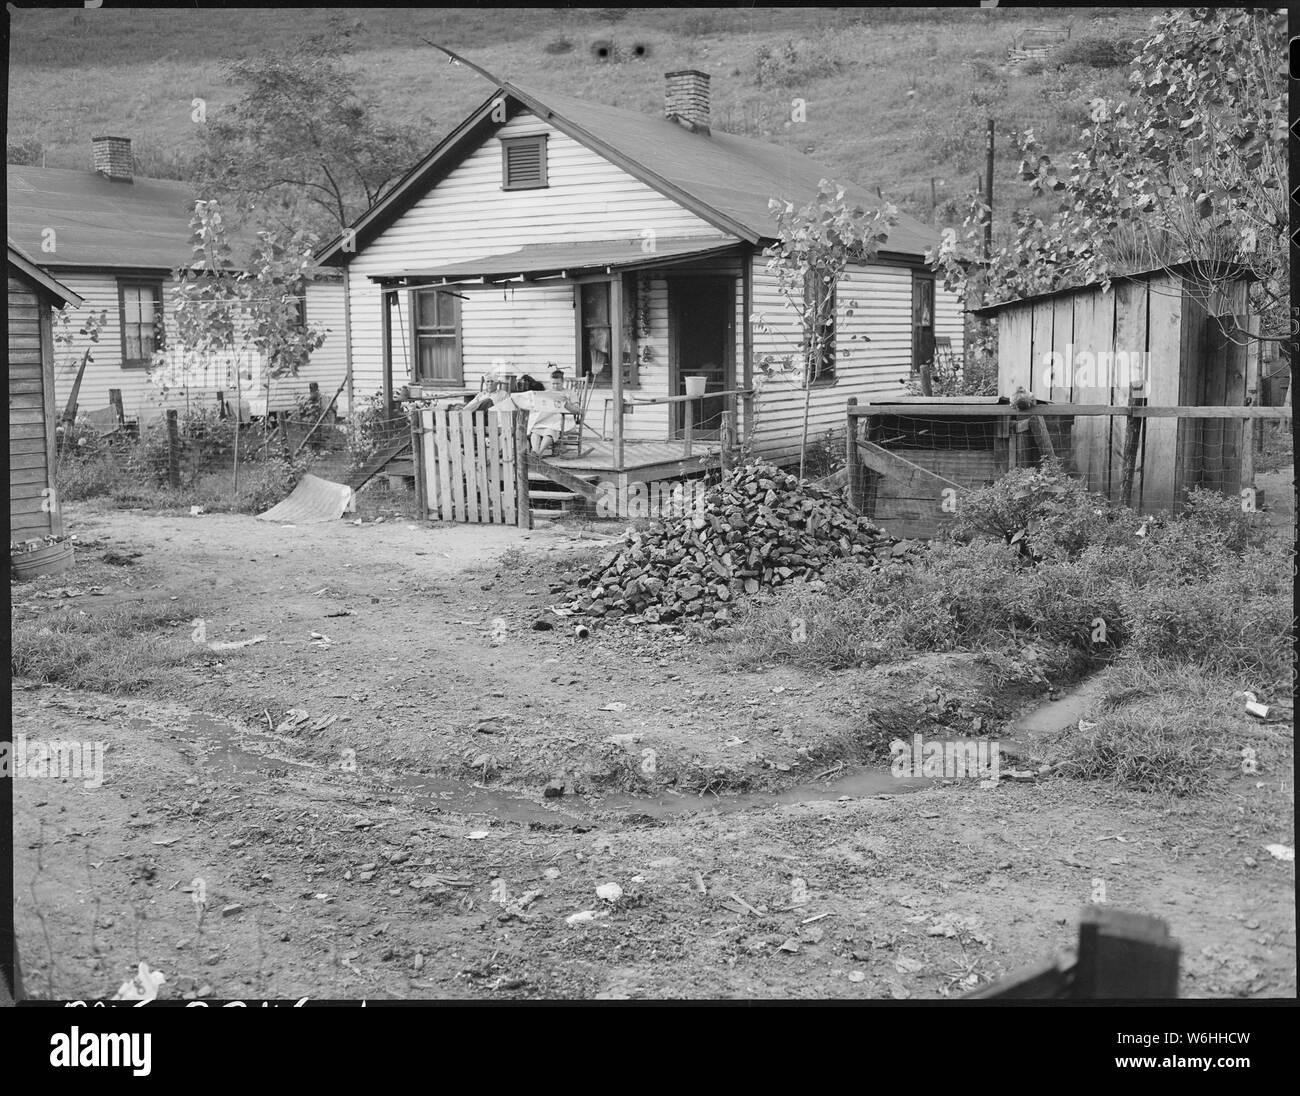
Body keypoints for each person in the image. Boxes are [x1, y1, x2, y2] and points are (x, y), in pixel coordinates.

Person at [527, 368, 583, 456]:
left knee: (551, 430)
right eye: (553, 384)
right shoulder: (547, 393)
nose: (555, 386)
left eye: (557, 384)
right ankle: (535, 451)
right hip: (546, 418)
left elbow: (577, 411)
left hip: (563, 418)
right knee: (535, 430)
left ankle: (540, 453)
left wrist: (566, 404)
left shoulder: (570, 393)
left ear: (562, 382)